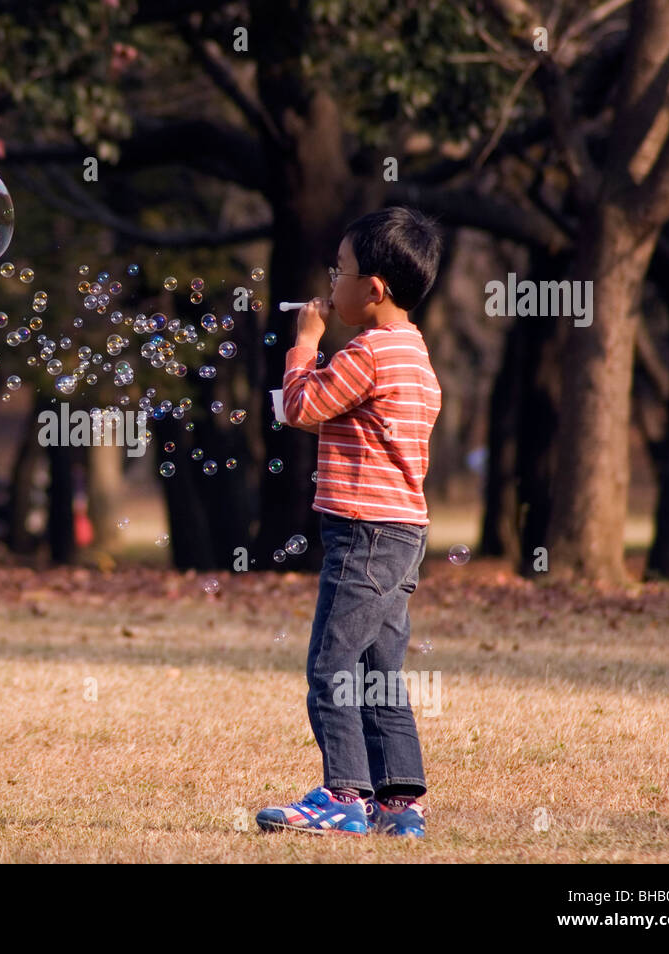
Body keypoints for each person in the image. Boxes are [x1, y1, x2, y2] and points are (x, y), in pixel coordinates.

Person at [256, 207, 443, 837]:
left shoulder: (367, 353)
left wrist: (305, 345)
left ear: (373, 290)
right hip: (403, 534)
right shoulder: (415, 355)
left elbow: (303, 407)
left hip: (363, 533)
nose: (329, 285)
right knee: (379, 669)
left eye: (340, 271)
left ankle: (343, 795)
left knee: (331, 662)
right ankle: (399, 803)